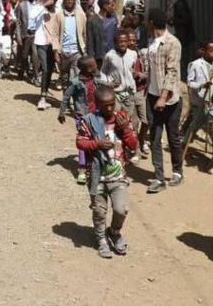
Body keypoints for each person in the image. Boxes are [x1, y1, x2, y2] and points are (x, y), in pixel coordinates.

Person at [76, 85, 138, 259]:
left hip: (118, 175)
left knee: (121, 209)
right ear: (97, 105)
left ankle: (115, 232)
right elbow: (80, 142)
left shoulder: (123, 119)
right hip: (97, 176)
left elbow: (134, 145)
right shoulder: (88, 121)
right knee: (99, 210)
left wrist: (125, 130)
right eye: (105, 105)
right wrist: (97, 144)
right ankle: (101, 238)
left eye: (112, 104)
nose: (109, 108)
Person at [145, 8, 183, 194]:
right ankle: (159, 177)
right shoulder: (152, 42)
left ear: (151, 22)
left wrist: (163, 97)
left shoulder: (172, 43)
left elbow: (172, 72)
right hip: (151, 96)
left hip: (170, 99)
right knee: (155, 137)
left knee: (173, 136)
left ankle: (177, 172)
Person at [60, 55, 104, 184]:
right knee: (84, 142)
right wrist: (62, 112)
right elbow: (66, 97)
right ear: (88, 69)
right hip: (82, 116)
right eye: (94, 65)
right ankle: (82, 170)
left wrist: (114, 86)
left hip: (96, 115)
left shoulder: (95, 79)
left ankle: (95, 166)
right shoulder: (75, 82)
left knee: (97, 140)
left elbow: (103, 84)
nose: (96, 67)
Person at [182, 40, 213, 172]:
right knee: (194, 127)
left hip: (212, 103)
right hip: (199, 103)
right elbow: (190, 82)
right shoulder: (195, 65)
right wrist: (201, 86)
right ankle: (183, 148)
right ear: (203, 51)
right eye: (211, 50)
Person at [51, 0, 87, 88]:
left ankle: (76, 102)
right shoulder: (59, 15)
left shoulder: (81, 15)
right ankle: (65, 101)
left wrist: (84, 49)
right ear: (64, 1)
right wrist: (56, 51)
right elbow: (54, 34)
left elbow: (84, 34)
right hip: (63, 51)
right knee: (64, 78)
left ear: (75, 1)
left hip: (77, 51)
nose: (70, 1)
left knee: (75, 79)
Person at [101, 30, 137, 128]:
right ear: (115, 43)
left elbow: (133, 70)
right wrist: (108, 84)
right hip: (115, 93)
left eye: (125, 41)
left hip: (129, 93)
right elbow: (103, 72)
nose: (123, 44)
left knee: (128, 120)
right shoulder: (110, 56)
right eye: (120, 42)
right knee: (115, 118)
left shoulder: (133, 54)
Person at [162, 0, 195, 71]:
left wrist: (172, 20)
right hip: (175, 35)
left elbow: (186, 20)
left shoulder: (179, 3)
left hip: (181, 37)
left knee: (181, 59)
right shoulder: (171, 2)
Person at [35, 0, 59, 110]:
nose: (51, 1)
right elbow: (32, 16)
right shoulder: (39, 9)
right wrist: (43, 4)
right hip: (41, 43)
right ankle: (42, 98)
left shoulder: (58, 11)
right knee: (45, 68)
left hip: (54, 45)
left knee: (50, 70)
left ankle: (44, 92)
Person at [129, 28, 151, 158]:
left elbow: (149, 71)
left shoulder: (141, 54)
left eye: (134, 40)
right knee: (134, 123)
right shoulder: (123, 55)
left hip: (142, 91)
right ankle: (135, 148)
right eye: (129, 40)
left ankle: (142, 140)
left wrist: (142, 75)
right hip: (130, 92)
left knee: (147, 121)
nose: (132, 42)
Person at [15, 0, 42, 83]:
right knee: (24, 55)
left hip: (36, 34)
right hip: (25, 34)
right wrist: (18, 36)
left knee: (35, 55)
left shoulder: (39, 5)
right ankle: (22, 69)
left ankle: (36, 76)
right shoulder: (21, 5)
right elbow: (18, 22)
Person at [87, 0, 117, 65]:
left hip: (112, 55)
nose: (114, 8)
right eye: (112, 5)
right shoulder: (92, 21)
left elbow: (116, 37)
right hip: (99, 58)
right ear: (105, 6)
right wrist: (91, 59)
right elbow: (90, 42)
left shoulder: (113, 20)